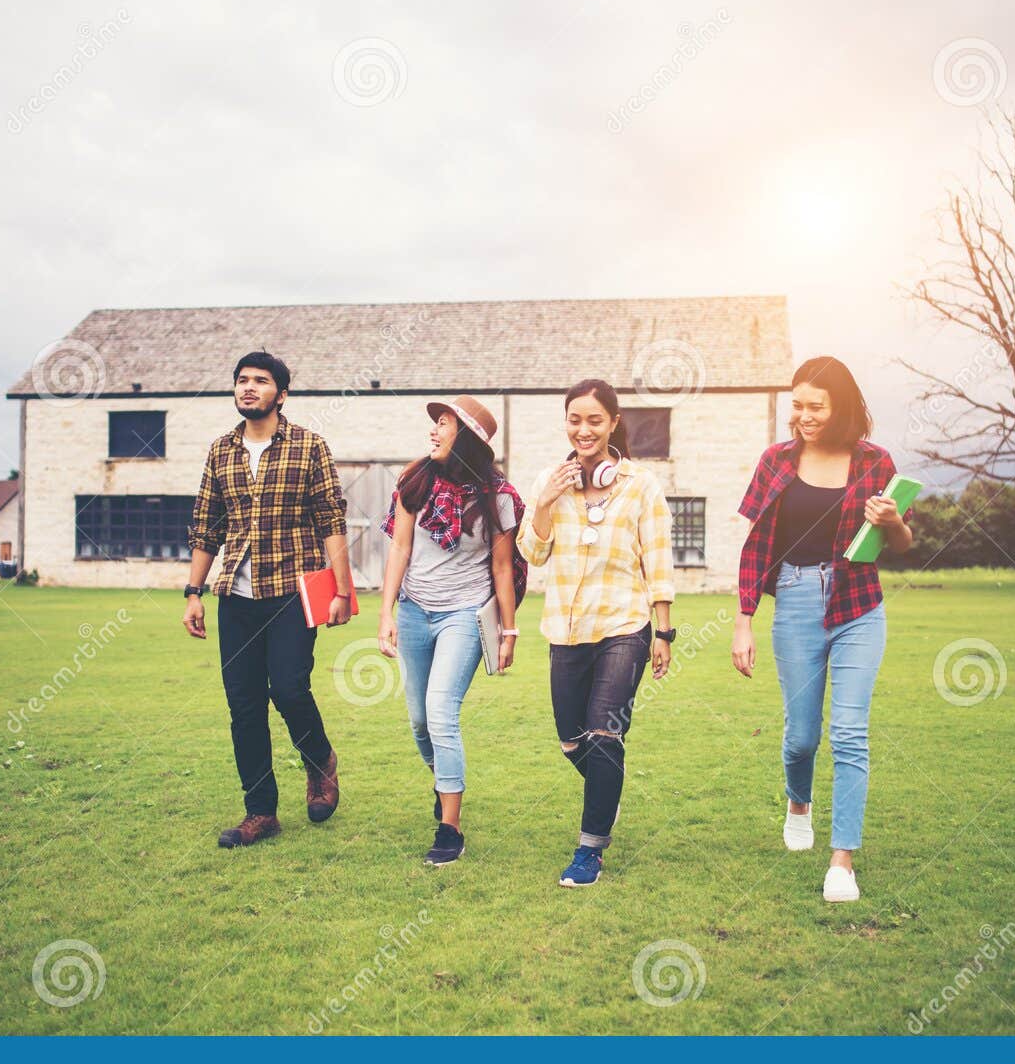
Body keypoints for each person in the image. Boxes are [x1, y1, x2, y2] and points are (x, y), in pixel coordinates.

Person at [730, 356, 914, 903]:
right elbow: (756, 544)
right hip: (794, 599)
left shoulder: (875, 462)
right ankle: (798, 802)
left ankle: (842, 862)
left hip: (859, 603)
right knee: (802, 736)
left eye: (816, 407)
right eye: (798, 406)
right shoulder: (776, 461)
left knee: (850, 733)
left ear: (841, 409)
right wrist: (744, 621)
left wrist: (892, 522)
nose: (804, 417)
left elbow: (901, 546)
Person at [183, 350, 355, 848]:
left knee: (289, 688)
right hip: (235, 596)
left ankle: (319, 759)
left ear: (281, 394)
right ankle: (261, 812)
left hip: (290, 593)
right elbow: (206, 525)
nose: (248, 388)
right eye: (241, 380)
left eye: (260, 381)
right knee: (244, 706)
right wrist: (194, 592)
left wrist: (342, 590)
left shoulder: (308, 446)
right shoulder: (221, 451)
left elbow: (331, 520)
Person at [517, 379, 675, 887]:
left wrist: (663, 631)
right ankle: (606, 793)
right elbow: (532, 553)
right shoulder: (550, 480)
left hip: (624, 625)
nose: (583, 429)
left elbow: (658, 558)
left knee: (605, 733)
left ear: (613, 423)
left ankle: (590, 850)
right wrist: (545, 501)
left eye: (594, 420)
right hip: (565, 628)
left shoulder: (640, 485)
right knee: (571, 739)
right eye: (574, 419)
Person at [377, 395, 524, 865]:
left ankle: (450, 827)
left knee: (441, 713)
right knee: (419, 722)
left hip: (463, 614)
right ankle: (445, 784)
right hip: (415, 610)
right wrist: (385, 614)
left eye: (444, 424)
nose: (433, 431)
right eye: (435, 422)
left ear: (468, 439)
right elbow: (399, 549)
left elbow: (502, 569)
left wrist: (509, 631)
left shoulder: (498, 496)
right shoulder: (414, 479)